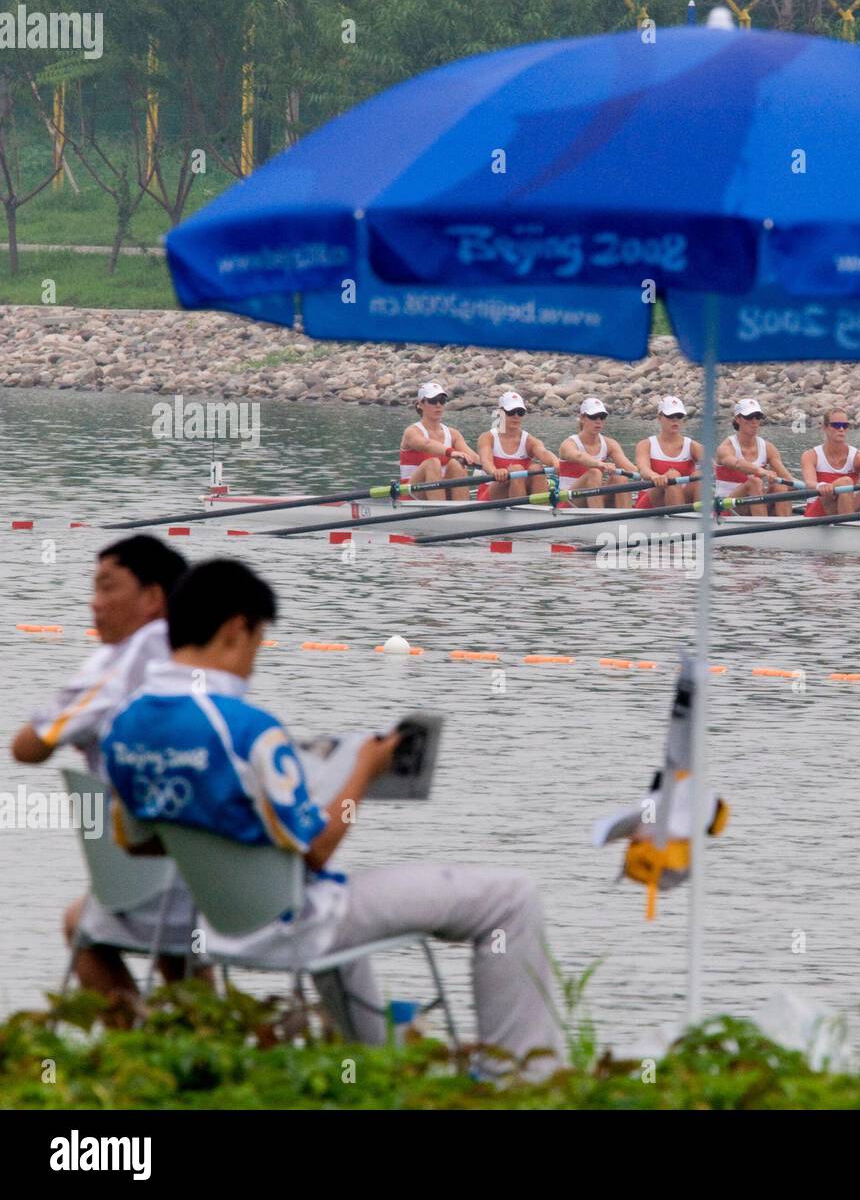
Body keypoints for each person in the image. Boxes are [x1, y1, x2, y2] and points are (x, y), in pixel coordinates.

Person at [101, 559, 562, 1076]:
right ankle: (524, 1079)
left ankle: (376, 1065)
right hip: (292, 922)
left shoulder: (124, 726)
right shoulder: (249, 729)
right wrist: (363, 770)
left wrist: (223, 833)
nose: (254, 661)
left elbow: (138, 842)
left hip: (210, 921)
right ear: (236, 629)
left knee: (341, 897)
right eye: (258, 642)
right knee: (511, 898)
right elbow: (318, 847)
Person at [10, 535, 199, 1021]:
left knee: (81, 925)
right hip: (218, 872)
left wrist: (74, 727)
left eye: (107, 587)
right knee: (181, 959)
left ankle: (141, 1056)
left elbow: (27, 747)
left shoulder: (125, 658)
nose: (94, 603)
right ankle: (211, 1060)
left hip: (153, 875)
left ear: (153, 597)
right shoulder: (202, 656)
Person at [400, 381, 480, 502]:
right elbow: (426, 445)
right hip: (413, 494)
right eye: (433, 401)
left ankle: (463, 510)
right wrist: (451, 452)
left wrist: (498, 469)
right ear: (420, 404)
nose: (438, 405)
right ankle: (441, 509)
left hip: (442, 490)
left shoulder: (453, 434)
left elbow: (475, 458)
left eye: (442, 400)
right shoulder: (411, 432)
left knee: (457, 464)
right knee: (433, 463)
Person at [715, 398, 795, 517]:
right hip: (727, 507)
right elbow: (737, 464)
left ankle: (786, 527)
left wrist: (817, 487)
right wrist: (760, 470)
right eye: (749, 417)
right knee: (754, 482)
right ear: (738, 419)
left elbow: (788, 480)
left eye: (757, 417)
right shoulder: (726, 447)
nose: (754, 421)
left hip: (753, 503)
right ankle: (764, 528)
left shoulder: (768, 448)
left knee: (780, 485)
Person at [800, 409, 860, 517]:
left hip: (844, 506)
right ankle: (849, 526)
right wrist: (821, 486)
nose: (841, 429)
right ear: (825, 428)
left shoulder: (858, 456)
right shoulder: (810, 456)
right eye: (836, 425)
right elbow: (810, 482)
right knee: (845, 481)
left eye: (845, 425)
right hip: (818, 510)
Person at [475, 392, 559, 501]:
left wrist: (555, 462)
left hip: (519, 487)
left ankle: (541, 511)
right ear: (500, 412)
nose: (516, 416)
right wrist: (495, 472)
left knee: (536, 469)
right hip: (491, 493)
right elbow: (486, 461)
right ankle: (522, 511)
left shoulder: (529, 440)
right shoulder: (487, 437)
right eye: (511, 412)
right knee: (517, 470)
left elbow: (543, 453)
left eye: (520, 412)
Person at [557, 397, 638, 508]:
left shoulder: (610, 444)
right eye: (593, 417)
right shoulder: (568, 444)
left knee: (621, 477)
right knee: (594, 473)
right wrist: (601, 464)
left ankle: (626, 521)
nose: (598, 421)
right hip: (569, 502)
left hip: (593, 498)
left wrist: (655, 475)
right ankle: (599, 519)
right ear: (582, 418)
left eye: (602, 417)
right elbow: (579, 456)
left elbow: (631, 469)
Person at [634, 396, 703, 509]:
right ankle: (680, 522)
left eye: (679, 416)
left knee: (700, 476)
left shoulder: (693, 446)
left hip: (681, 498)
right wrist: (655, 476)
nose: (675, 420)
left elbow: (714, 468)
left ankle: (702, 520)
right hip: (650, 502)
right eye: (670, 416)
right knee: (672, 476)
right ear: (659, 417)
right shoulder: (645, 445)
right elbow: (643, 469)